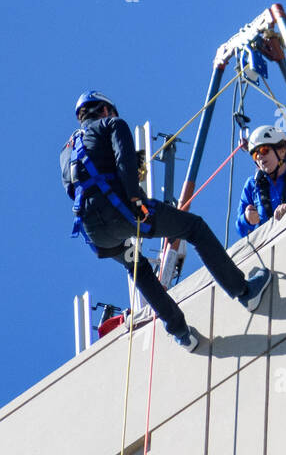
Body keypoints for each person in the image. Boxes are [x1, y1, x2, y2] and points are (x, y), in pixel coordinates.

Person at [61, 91, 273, 352]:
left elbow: (74, 188)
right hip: (123, 211)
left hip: (95, 233)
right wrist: (136, 199)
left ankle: (181, 333)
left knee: (136, 267)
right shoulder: (114, 124)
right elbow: (124, 162)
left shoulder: (66, 151)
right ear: (105, 110)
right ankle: (244, 292)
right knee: (194, 228)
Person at [235, 126, 286, 237]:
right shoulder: (252, 185)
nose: (259, 156)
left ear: (282, 151)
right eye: (255, 155)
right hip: (270, 246)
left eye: (264, 150)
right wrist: (246, 219)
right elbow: (241, 230)